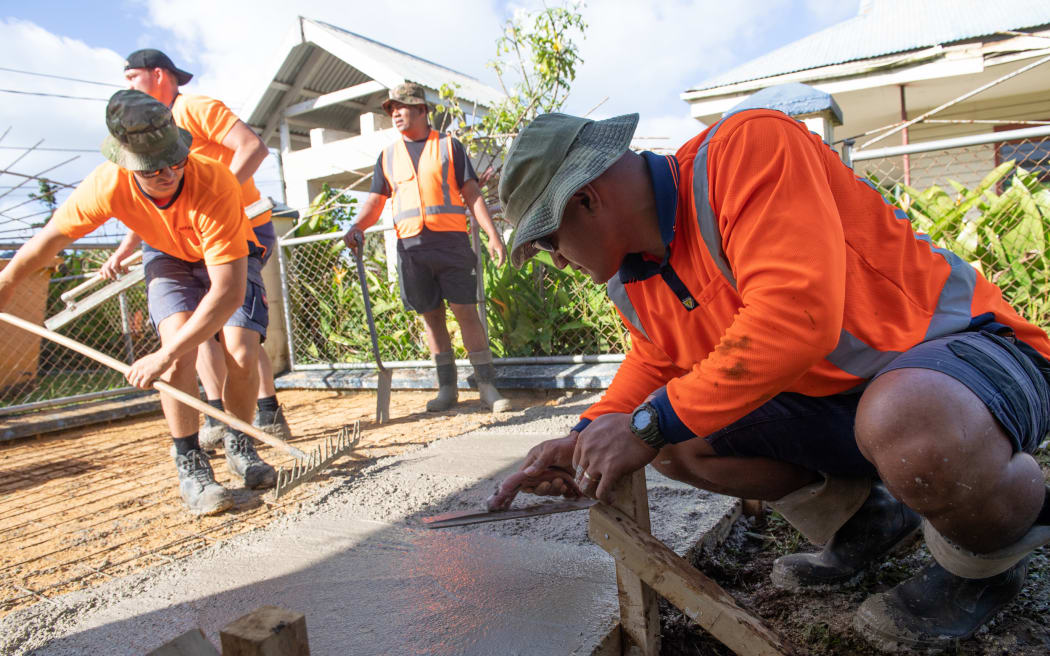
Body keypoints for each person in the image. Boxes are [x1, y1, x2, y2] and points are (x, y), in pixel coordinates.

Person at [497, 110, 1050, 651]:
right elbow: (655, 361)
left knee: (905, 418)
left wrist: (645, 424)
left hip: (973, 359)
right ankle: (868, 520)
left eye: (548, 241)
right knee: (676, 444)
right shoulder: (634, 273)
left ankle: (984, 559)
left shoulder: (745, 152)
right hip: (854, 405)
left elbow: (796, 318)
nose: (559, 262)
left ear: (586, 199)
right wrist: (587, 433)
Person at [0, 90, 277, 515]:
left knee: (241, 349)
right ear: (128, 164)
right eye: (153, 169)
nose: (168, 174)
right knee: (179, 358)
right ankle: (191, 465)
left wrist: (163, 354)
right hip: (166, 256)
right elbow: (50, 240)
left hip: (225, 255)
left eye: (174, 161)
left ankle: (240, 443)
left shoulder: (214, 181)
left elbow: (227, 293)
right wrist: (7, 283)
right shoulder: (106, 184)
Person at [100, 49, 291, 449]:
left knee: (237, 323)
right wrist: (122, 251)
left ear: (158, 75)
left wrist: (213, 202)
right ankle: (219, 413)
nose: (128, 85)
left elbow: (252, 148)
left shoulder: (193, 108)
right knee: (195, 325)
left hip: (239, 225)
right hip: (191, 233)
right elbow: (154, 201)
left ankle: (267, 409)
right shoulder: (146, 140)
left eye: (132, 76)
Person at [341, 82, 510, 413]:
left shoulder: (449, 146)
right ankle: (447, 388)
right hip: (412, 249)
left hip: (450, 243)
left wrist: (492, 234)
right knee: (432, 318)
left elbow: (472, 194)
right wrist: (357, 226)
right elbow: (376, 200)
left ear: (422, 110)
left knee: (465, 312)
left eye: (402, 107)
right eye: (391, 109)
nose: (395, 114)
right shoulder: (388, 156)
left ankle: (487, 386)